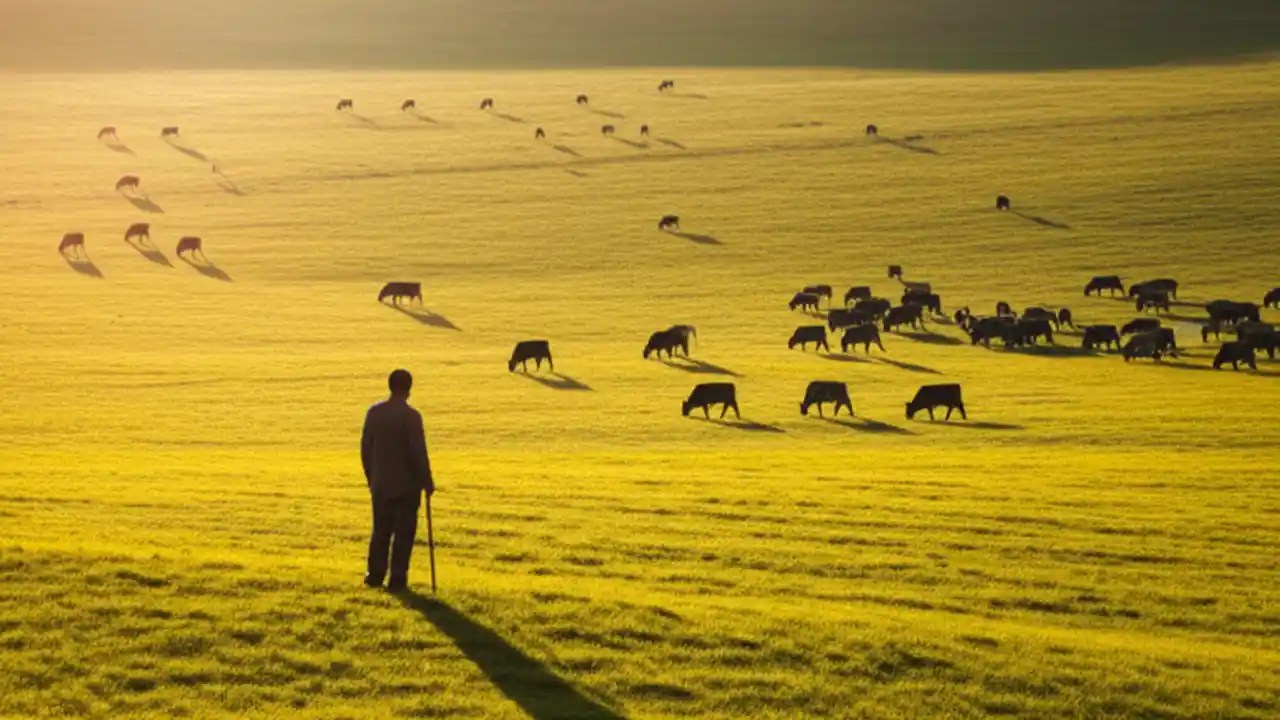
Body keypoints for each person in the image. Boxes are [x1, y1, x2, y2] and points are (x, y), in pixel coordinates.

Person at [361, 369, 434, 592]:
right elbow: (417, 452)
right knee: (404, 534)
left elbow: (365, 449)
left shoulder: (374, 413)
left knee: (380, 532)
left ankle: (375, 576)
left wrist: (372, 477)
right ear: (409, 388)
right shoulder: (411, 417)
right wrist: (427, 481)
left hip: (381, 484)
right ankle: (397, 579)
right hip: (406, 487)